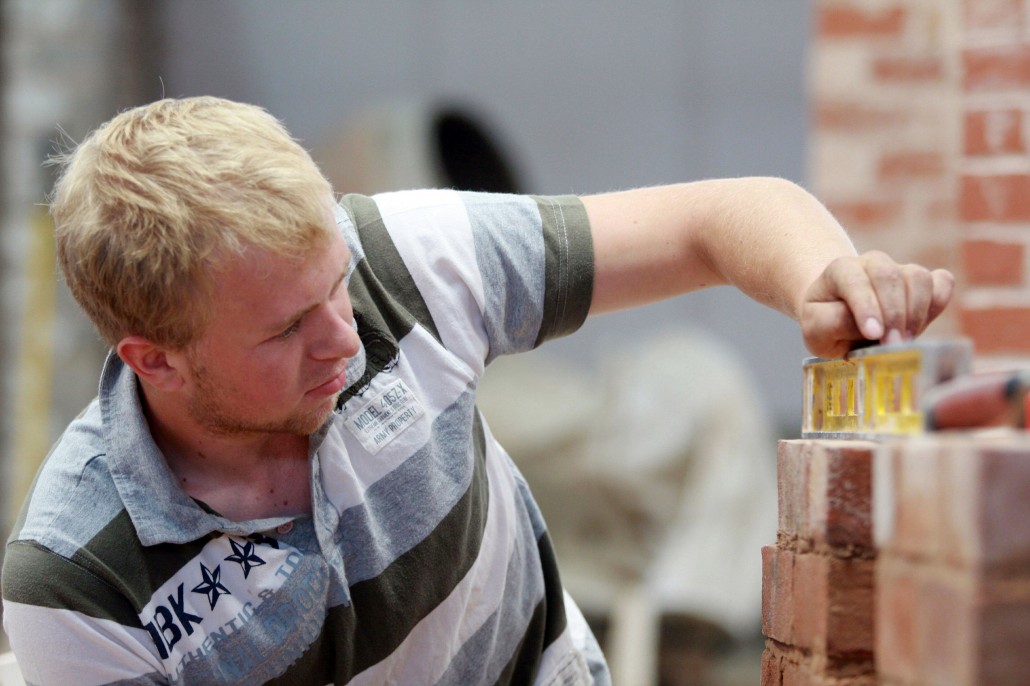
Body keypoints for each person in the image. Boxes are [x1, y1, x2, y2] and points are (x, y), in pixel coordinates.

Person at [0, 96, 952, 685]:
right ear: (153, 358)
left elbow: (719, 219)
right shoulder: (79, 586)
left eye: (333, 284)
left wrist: (824, 276)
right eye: (287, 328)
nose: (344, 337)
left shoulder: (403, 264)